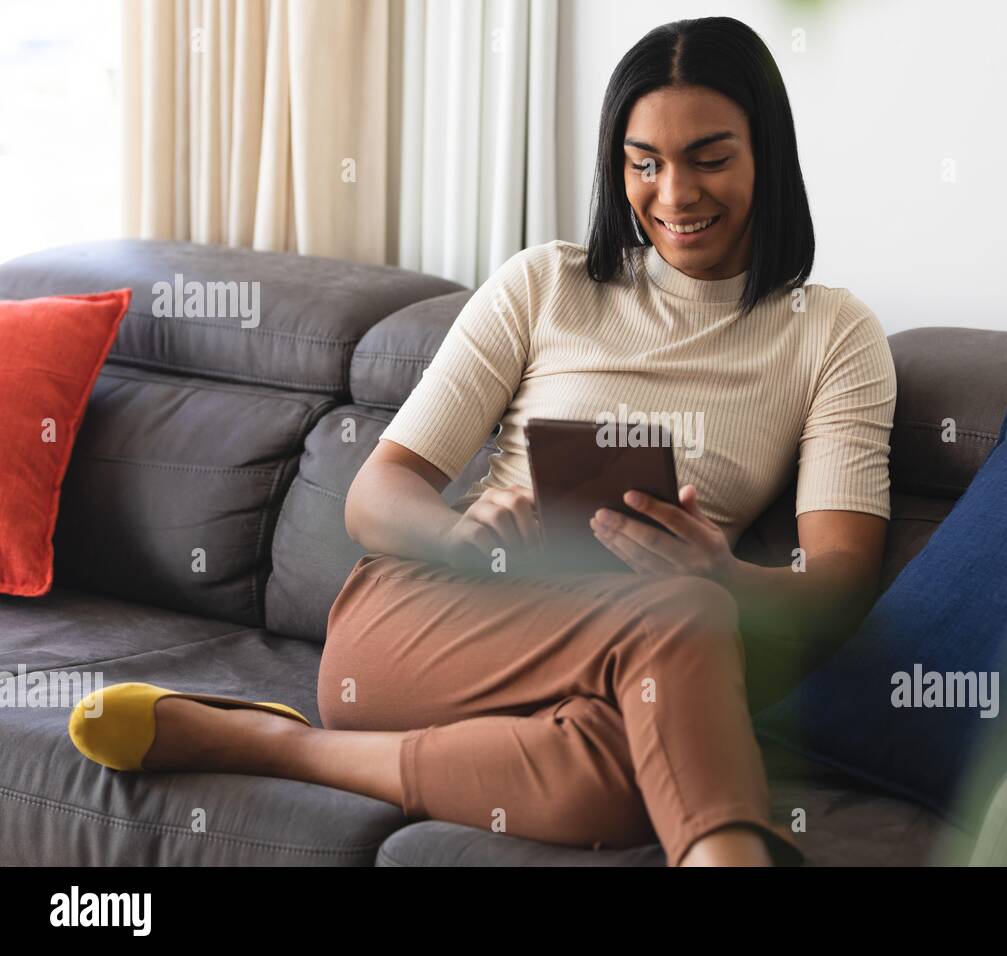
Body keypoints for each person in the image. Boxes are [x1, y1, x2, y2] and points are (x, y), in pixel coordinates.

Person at [68, 16, 897, 868]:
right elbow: (376, 493)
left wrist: (726, 576)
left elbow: (840, 583)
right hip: (424, 616)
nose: (674, 193)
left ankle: (284, 749)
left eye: (709, 158)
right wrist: (462, 537)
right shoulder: (547, 283)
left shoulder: (831, 336)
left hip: (629, 646)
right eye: (643, 162)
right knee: (685, 622)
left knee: (615, 779)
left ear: (770, 155)